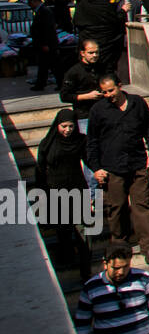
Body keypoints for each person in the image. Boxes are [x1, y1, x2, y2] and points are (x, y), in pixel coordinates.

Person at [88, 72, 149, 268]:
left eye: (111, 90)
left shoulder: (137, 103)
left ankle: (148, 246)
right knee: (116, 206)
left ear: (120, 86)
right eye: (104, 92)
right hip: (112, 167)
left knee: (142, 204)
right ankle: (119, 242)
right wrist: (96, 168)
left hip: (137, 163)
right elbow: (92, 142)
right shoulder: (98, 110)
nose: (108, 95)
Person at [34, 109, 93, 281]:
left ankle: (85, 267)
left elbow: (89, 160)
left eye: (71, 126)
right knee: (63, 229)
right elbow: (40, 171)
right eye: (64, 126)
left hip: (77, 188)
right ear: (57, 125)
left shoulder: (81, 141)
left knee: (84, 230)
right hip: (55, 191)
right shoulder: (47, 144)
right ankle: (67, 256)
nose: (67, 130)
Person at [74, 0, 127, 80]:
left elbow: (77, 22)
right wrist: (123, 11)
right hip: (106, 46)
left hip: (88, 42)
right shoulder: (105, 7)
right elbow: (115, 21)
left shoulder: (83, 5)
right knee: (106, 70)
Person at [60, 38, 105, 134]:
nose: (95, 55)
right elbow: (64, 96)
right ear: (82, 53)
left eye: (97, 52)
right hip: (84, 114)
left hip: (103, 111)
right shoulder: (74, 72)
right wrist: (87, 96)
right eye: (91, 53)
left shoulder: (101, 68)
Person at [27, 0, 64, 91]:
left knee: (52, 65)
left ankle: (56, 83)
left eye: (30, 3)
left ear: (35, 1)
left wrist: (45, 43)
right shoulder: (42, 11)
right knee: (46, 65)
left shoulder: (44, 12)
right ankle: (42, 83)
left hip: (47, 44)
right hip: (45, 43)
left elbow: (47, 29)